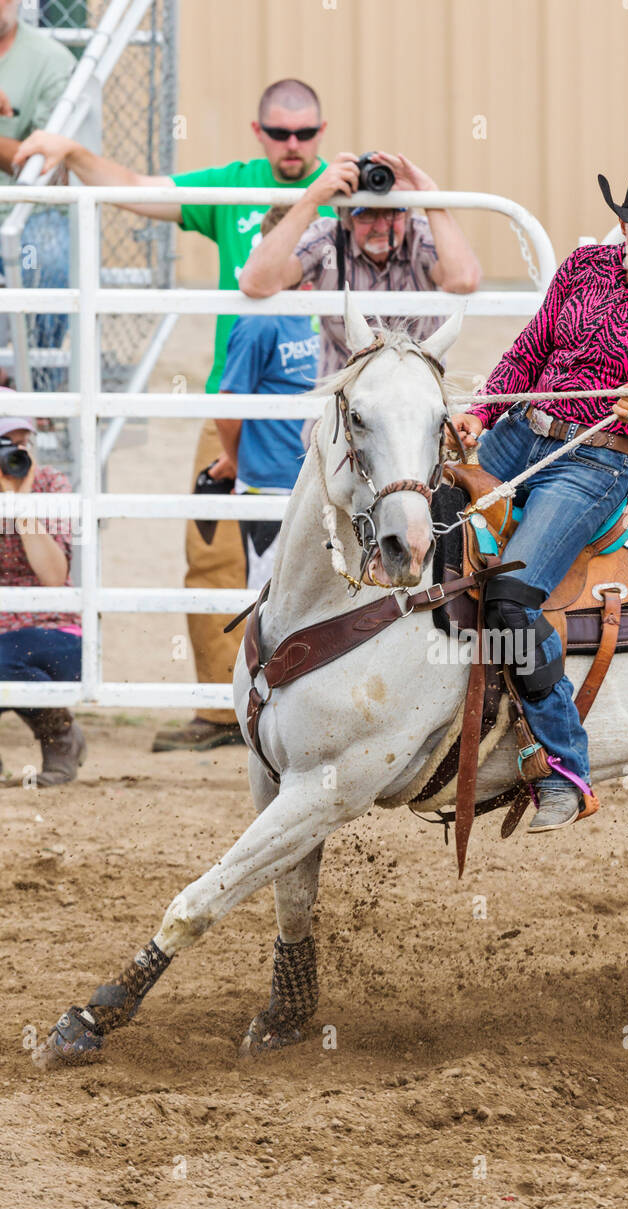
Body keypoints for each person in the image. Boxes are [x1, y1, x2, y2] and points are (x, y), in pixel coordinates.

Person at [14, 78, 356, 750]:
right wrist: (74, 153)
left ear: (322, 132)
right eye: (280, 133)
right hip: (235, 396)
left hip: (324, 404)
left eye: (306, 133)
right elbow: (145, 189)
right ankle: (219, 710)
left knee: (330, 555)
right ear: (259, 133)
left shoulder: (347, 189)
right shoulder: (236, 185)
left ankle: (317, 707)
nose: (294, 145)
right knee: (213, 550)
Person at [449, 160, 628, 832]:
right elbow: (531, 347)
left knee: (515, 598)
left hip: (595, 462)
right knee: (422, 511)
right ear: (625, 224)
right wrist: (481, 414)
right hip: (522, 430)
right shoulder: (582, 270)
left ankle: (568, 767)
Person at [239, 149, 481, 388]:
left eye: (393, 213)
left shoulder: (418, 234)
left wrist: (430, 196)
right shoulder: (328, 238)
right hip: (342, 412)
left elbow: (464, 279)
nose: (380, 226)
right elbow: (256, 282)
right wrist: (311, 198)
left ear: (407, 215)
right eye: (364, 213)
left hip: (415, 408)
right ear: (345, 218)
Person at [213, 205, 317, 589]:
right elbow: (228, 409)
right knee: (269, 595)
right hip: (271, 484)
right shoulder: (259, 320)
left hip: (308, 479)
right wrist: (241, 463)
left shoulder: (310, 310)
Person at [0, 388, 85, 785]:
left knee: (5, 655)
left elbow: (53, 577)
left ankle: (60, 737)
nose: (13, 454)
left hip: (52, 630)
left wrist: (19, 505)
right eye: (5, 444)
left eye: (20, 443)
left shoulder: (51, 484)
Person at [0, 0, 75, 389]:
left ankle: (37, 386)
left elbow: (49, 164)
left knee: (48, 256)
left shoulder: (49, 60)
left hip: (25, 208)